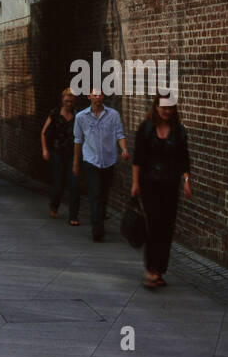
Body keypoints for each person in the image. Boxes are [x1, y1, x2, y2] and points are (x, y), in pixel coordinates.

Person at [131, 96, 193, 289]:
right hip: (149, 184)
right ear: (156, 107)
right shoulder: (147, 128)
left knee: (167, 228)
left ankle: (159, 269)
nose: (166, 111)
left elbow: (184, 159)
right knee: (154, 225)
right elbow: (138, 158)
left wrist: (186, 181)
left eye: (170, 108)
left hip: (170, 185)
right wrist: (135, 183)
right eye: (163, 107)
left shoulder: (179, 132)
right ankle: (151, 269)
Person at [72, 88, 129, 241]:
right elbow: (78, 140)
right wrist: (76, 163)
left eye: (100, 94)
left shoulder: (113, 115)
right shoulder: (81, 117)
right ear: (89, 96)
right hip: (91, 160)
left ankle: (99, 219)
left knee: (104, 194)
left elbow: (119, 134)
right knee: (95, 194)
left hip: (109, 160)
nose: (98, 97)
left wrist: (124, 149)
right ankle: (97, 230)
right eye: (95, 94)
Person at [41, 88, 80, 224]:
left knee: (74, 183)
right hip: (57, 152)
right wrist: (45, 149)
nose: (69, 103)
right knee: (59, 183)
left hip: (73, 153)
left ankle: (73, 216)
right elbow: (44, 132)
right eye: (66, 101)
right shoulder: (55, 114)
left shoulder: (77, 115)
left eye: (71, 101)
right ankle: (54, 205)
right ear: (62, 100)